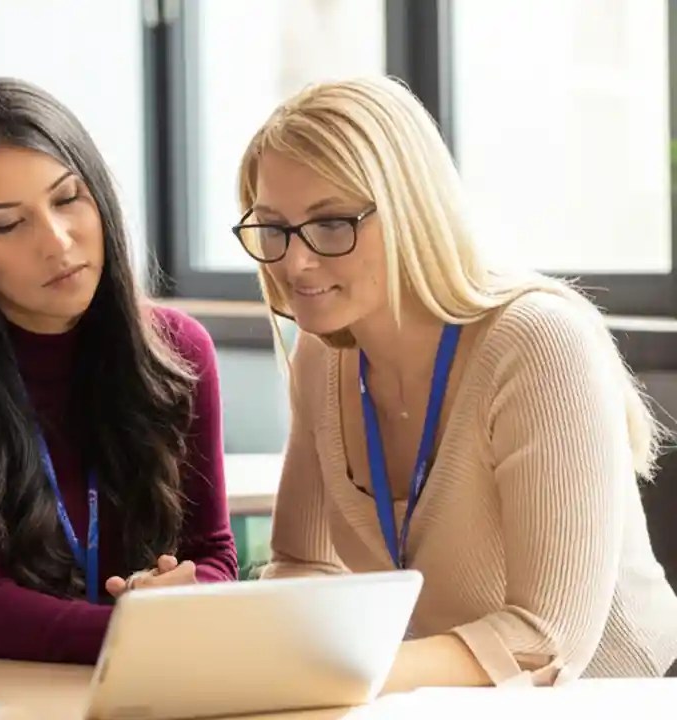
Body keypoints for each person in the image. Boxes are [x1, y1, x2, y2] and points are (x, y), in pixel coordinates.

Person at [240, 75, 677, 689]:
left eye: (331, 224)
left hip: (618, 695)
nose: (294, 261)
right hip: (447, 700)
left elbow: (544, 642)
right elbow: (306, 564)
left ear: (412, 212)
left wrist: (338, 669)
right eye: (273, 229)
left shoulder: (537, 343)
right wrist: (214, 632)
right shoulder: (322, 354)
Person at [0, 77, 239, 666]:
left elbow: (212, 553)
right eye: (9, 225)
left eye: (67, 199)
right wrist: (134, 636)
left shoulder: (178, 350)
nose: (58, 242)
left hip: (151, 693)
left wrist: (188, 595)